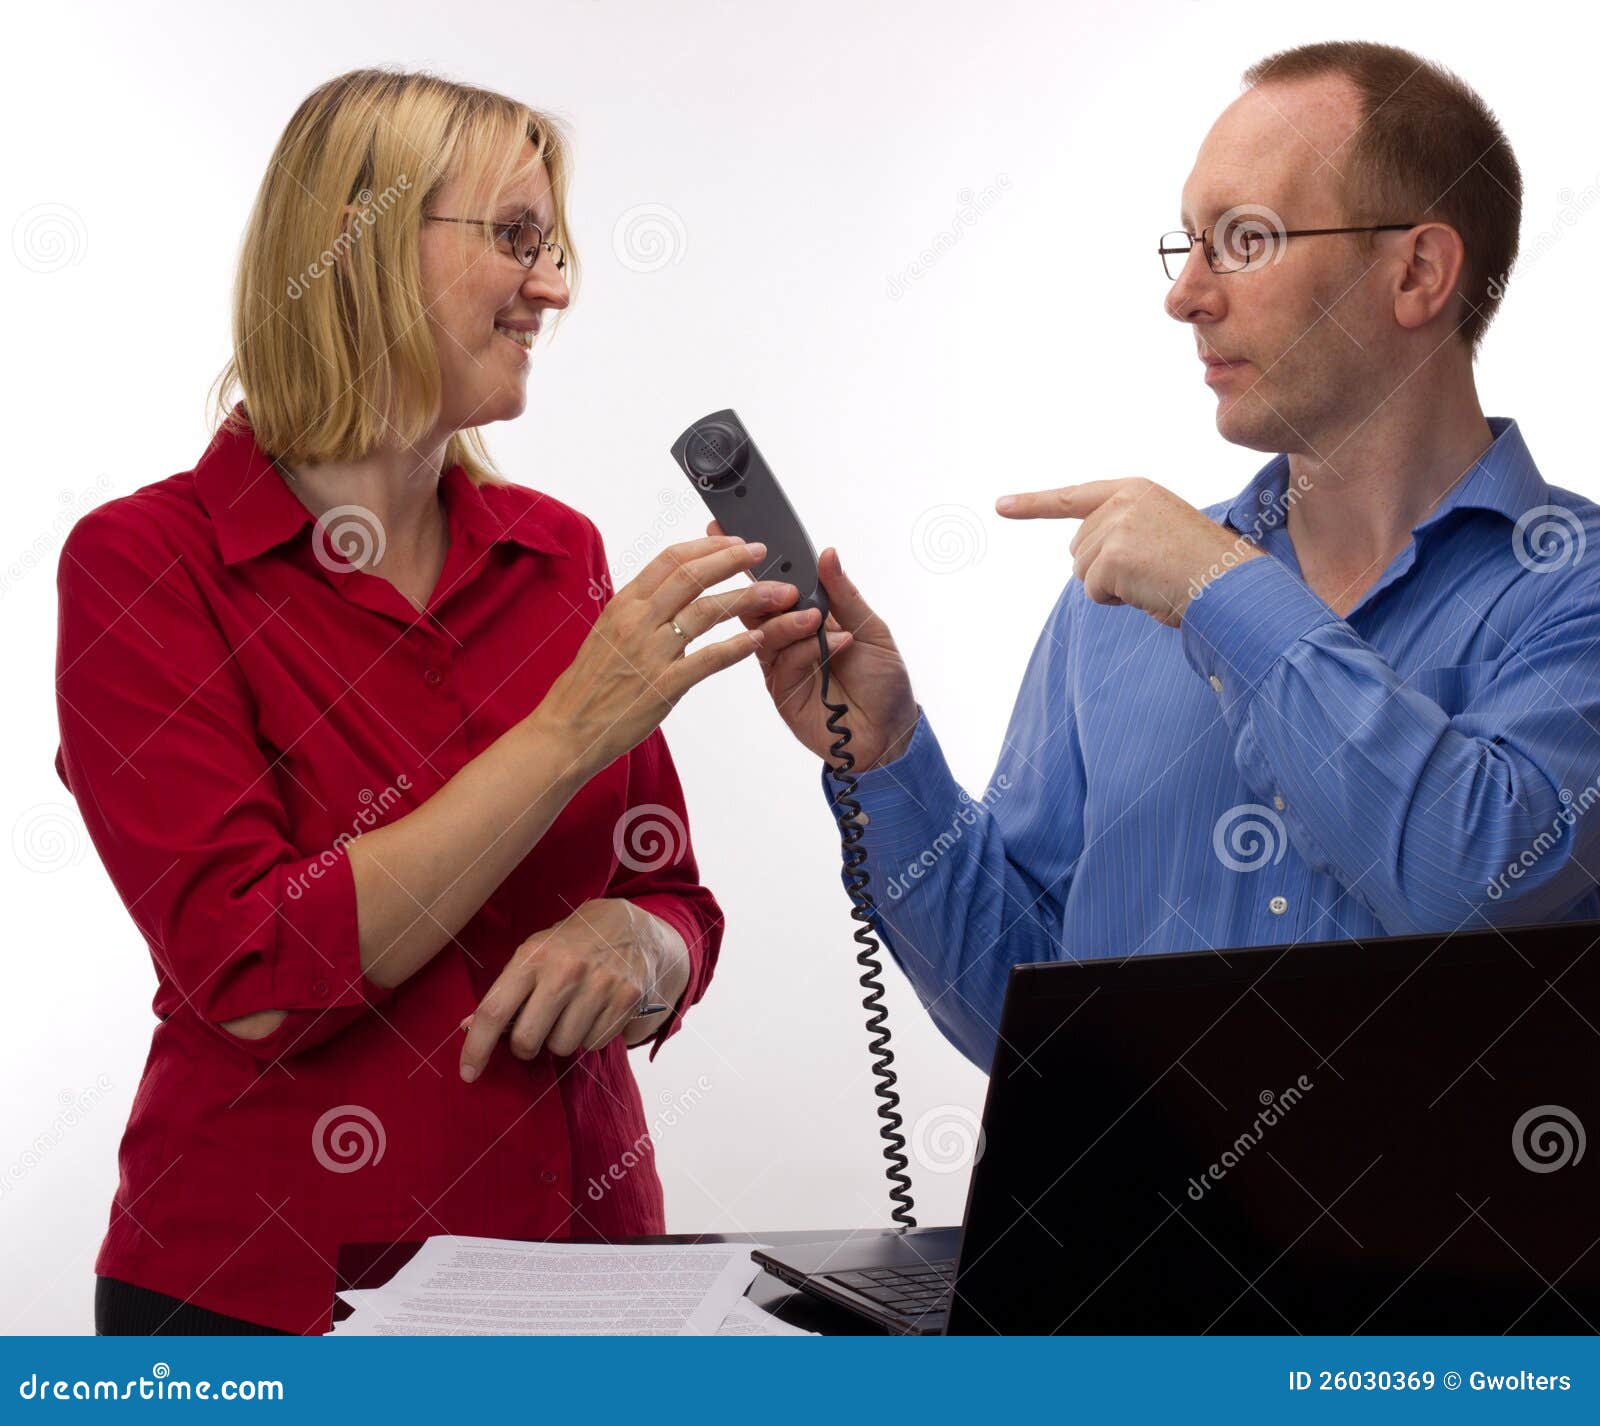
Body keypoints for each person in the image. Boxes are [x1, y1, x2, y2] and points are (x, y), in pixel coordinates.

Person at [55, 67, 783, 1335]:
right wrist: (564, 732)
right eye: (514, 238)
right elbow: (253, 972)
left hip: (587, 1284)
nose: (552, 286)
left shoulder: (556, 551)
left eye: (552, 246)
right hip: (264, 1305)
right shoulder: (141, 565)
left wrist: (642, 949)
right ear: (362, 248)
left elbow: (671, 892)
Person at [737, 40, 1600, 1070]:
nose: (1185, 294)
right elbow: (1033, 1023)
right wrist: (885, 763)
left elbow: (1470, 879)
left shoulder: (1571, 590)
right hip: (1120, 1236)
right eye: (1185, 244)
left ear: (1415, 272)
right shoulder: (1113, 607)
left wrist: (1222, 594)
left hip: (1444, 1238)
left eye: (1242, 239)